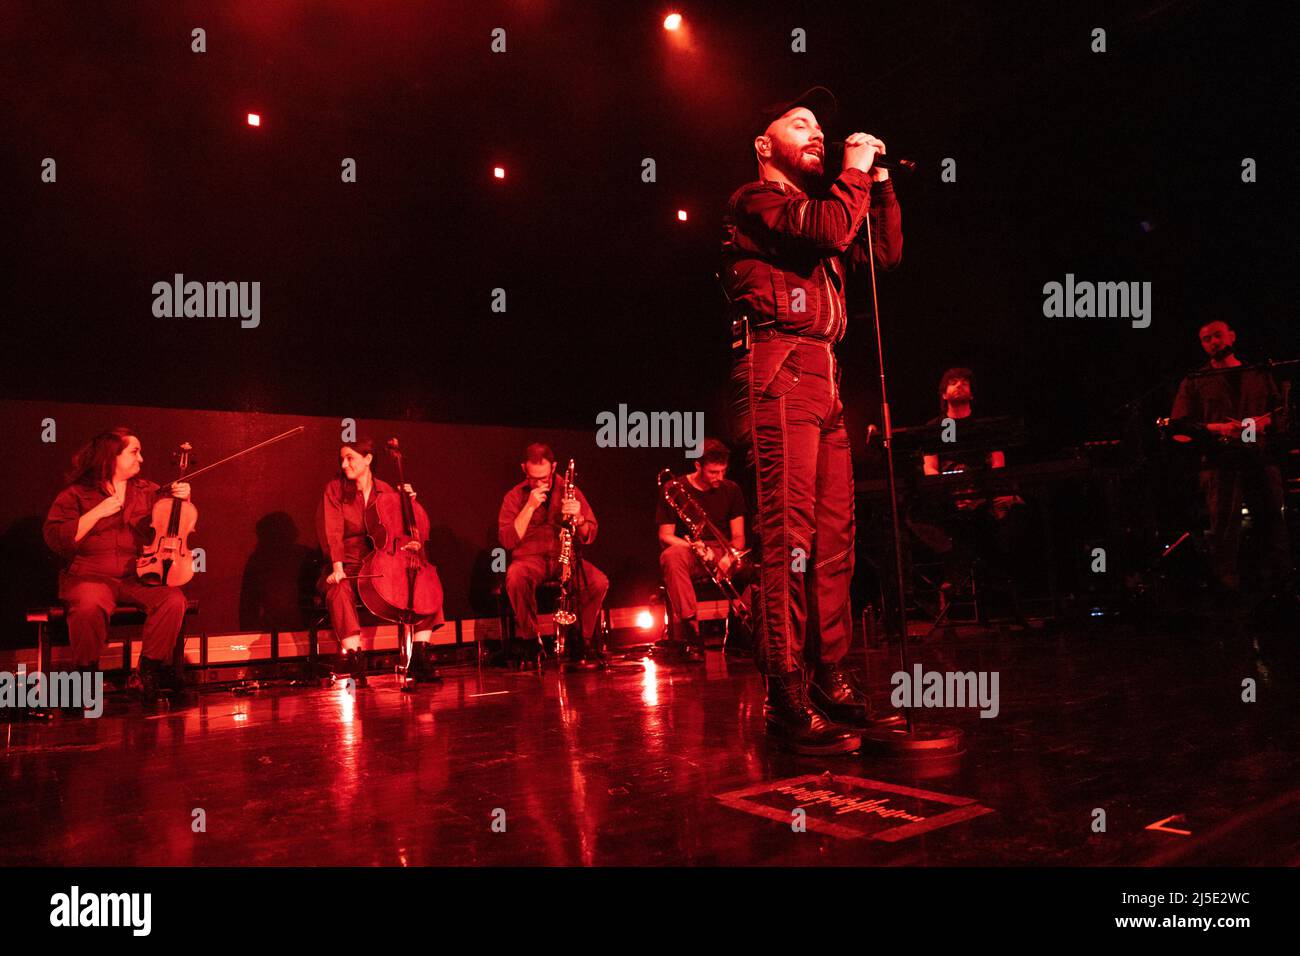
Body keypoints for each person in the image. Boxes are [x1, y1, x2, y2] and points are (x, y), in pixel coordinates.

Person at [722, 86, 903, 753]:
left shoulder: (832, 207)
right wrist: (853, 172)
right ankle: (785, 694)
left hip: (825, 377)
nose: (818, 133)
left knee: (832, 543)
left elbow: (883, 255)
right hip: (781, 371)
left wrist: (877, 186)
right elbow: (827, 229)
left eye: (823, 127)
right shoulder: (755, 200)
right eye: (800, 123)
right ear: (765, 146)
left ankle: (831, 677)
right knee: (789, 541)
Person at [43, 428, 192, 705]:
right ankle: (86, 676)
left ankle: (147, 672)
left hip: (135, 576)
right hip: (89, 575)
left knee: (172, 600)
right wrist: (97, 512)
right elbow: (55, 538)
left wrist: (183, 498)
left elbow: (174, 522)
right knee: (89, 603)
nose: (142, 459)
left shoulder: (147, 491)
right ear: (112, 456)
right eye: (134, 452)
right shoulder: (76, 494)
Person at [1170, 320, 1292, 595]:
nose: (1212, 342)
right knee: (1224, 524)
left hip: (1259, 454)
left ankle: (1277, 582)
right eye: (1206, 339)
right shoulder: (1195, 380)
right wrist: (1219, 428)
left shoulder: (1257, 373)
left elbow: (1280, 413)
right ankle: (1228, 587)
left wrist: (1258, 425)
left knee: (1272, 518)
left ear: (1231, 336)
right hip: (1219, 459)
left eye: (1217, 336)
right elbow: (1180, 424)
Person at [317, 437, 443, 686]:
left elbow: (400, 532)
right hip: (350, 564)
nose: (344, 464)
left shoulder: (386, 490)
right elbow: (332, 530)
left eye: (350, 458)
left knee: (425, 583)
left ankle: (419, 653)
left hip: (384, 563)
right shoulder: (335, 489)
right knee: (338, 590)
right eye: (342, 459)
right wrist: (337, 567)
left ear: (368, 459)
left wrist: (409, 506)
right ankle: (355, 657)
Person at [919, 368, 1026, 617]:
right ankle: (962, 572)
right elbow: (930, 468)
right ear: (944, 394)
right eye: (953, 382)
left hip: (983, 497)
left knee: (1016, 512)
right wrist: (951, 492)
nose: (960, 385)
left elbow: (998, 463)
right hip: (949, 501)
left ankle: (992, 585)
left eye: (965, 382)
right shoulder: (934, 428)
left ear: (972, 394)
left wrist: (986, 493)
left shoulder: (985, 427)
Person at [498, 443, 608, 665]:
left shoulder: (570, 490)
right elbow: (507, 540)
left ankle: (582, 640)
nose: (539, 484)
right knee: (515, 577)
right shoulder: (514, 497)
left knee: (598, 582)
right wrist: (528, 506)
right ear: (524, 469)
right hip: (530, 559)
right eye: (533, 478)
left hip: (565, 558)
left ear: (554, 467)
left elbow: (590, 533)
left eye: (544, 478)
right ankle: (531, 642)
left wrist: (579, 518)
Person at [656, 438, 747, 661]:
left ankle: (741, 633)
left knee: (751, 567)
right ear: (698, 466)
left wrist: (727, 557)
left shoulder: (731, 489)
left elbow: (739, 537)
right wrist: (693, 546)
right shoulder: (675, 488)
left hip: (721, 549)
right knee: (671, 556)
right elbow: (665, 536)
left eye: (723, 471)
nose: (720, 478)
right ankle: (692, 632)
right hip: (691, 548)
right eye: (714, 472)